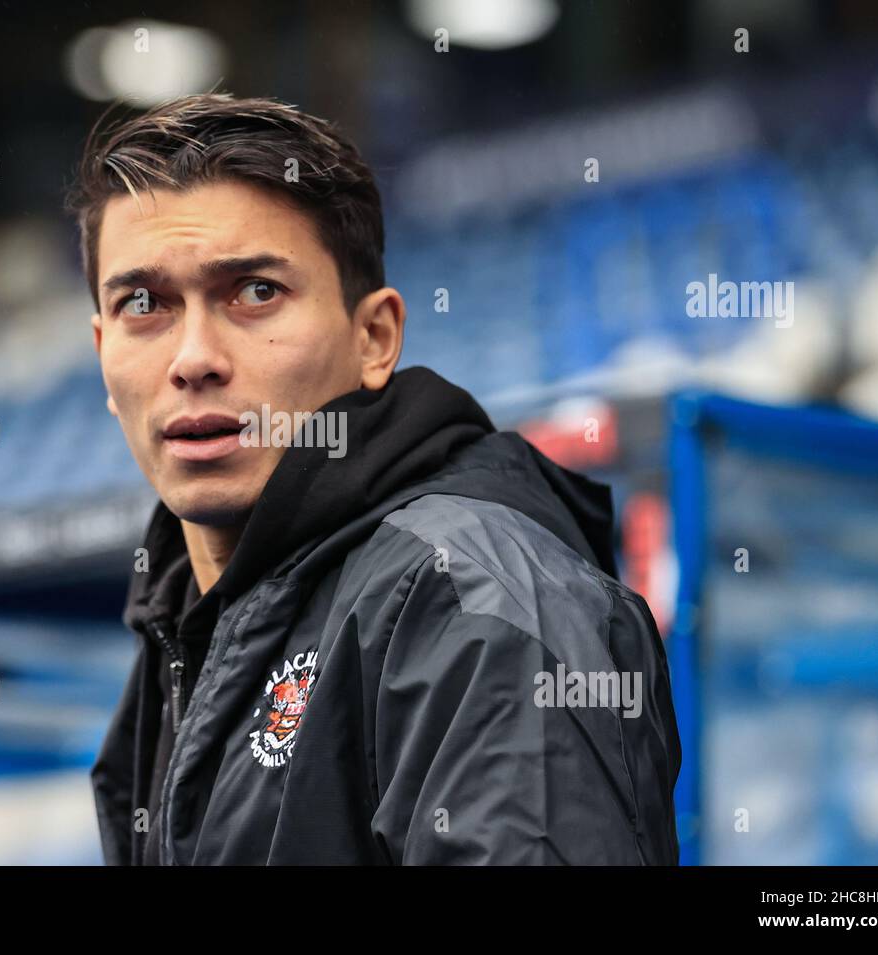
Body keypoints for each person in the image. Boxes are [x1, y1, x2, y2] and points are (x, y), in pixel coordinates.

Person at [66, 92, 680, 865]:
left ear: (375, 337)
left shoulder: (477, 599)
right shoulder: (184, 622)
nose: (193, 358)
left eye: (256, 291)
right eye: (144, 303)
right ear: (100, 350)